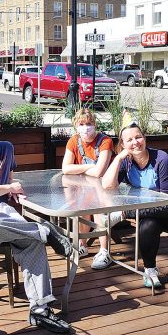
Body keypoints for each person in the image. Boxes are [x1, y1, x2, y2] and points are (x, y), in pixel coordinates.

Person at [0, 109, 73, 334]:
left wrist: (13, 193)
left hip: (3, 213)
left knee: (32, 244)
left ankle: (39, 310)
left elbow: (9, 178)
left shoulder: (7, 148)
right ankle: (44, 230)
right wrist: (9, 188)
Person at [102, 122, 168, 288]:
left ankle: (124, 214)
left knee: (161, 209)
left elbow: (167, 198)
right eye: (129, 140)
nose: (135, 142)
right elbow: (108, 185)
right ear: (123, 145)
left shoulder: (162, 159)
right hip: (150, 212)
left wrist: (131, 211)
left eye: (138, 137)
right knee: (148, 225)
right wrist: (119, 157)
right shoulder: (127, 162)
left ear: (145, 138)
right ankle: (150, 270)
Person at [61, 107, 114, 269]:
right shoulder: (73, 141)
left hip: (106, 188)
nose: (86, 127)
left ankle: (105, 251)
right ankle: (82, 245)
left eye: (89, 123)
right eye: (82, 124)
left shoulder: (105, 141)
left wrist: (80, 167)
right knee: (80, 207)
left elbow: (100, 172)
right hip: (83, 187)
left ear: (95, 125)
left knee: (99, 210)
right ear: (76, 125)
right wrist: (88, 168)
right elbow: (65, 168)